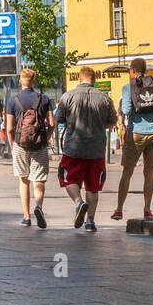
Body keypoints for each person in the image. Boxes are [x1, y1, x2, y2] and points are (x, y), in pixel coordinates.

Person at [54, 66, 118, 232]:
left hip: (74, 146)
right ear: (94, 80)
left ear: (79, 79)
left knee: (68, 178)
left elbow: (58, 118)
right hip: (96, 148)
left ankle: (78, 202)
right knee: (93, 186)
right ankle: (90, 221)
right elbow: (112, 120)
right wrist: (99, 125)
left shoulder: (67, 96)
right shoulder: (104, 98)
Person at [110, 57, 153, 221]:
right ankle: (147, 209)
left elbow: (126, 110)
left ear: (132, 70)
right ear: (145, 70)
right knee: (149, 172)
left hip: (135, 132)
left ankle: (119, 209)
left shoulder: (127, 86)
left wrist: (138, 111)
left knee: (127, 171)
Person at [7, 68, 55, 228]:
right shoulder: (45, 99)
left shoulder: (13, 100)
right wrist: (46, 139)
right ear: (34, 82)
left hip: (20, 144)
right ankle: (39, 207)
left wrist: (12, 145)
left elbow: (8, 128)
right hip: (39, 144)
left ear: (21, 81)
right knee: (39, 181)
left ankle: (26, 217)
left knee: (23, 180)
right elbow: (52, 124)